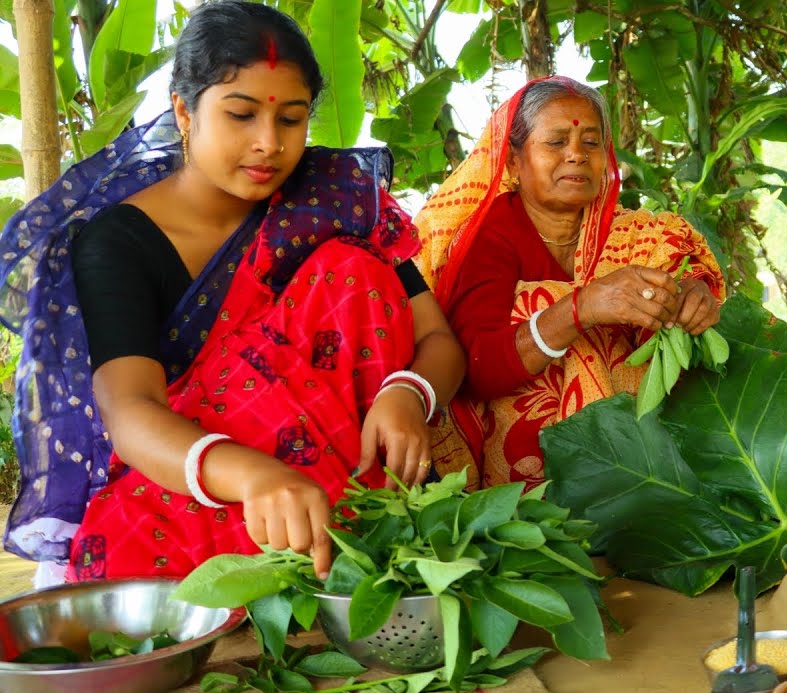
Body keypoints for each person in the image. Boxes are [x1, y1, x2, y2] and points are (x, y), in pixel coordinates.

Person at [0, 0, 465, 585]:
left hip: (354, 467)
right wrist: (253, 477)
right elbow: (131, 411)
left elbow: (437, 340)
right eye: (241, 115)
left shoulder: (332, 202)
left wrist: (409, 396)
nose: (268, 143)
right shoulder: (120, 240)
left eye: (291, 119)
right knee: (153, 575)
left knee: (349, 269)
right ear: (185, 113)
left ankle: (354, 531)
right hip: (210, 480)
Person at [414, 76, 724, 489]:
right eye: (557, 142)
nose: (577, 155)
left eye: (592, 144)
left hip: (644, 460)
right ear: (512, 163)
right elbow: (476, 370)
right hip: (526, 480)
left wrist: (692, 296)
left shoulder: (635, 234)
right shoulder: (490, 238)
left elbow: (689, 274)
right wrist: (582, 308)